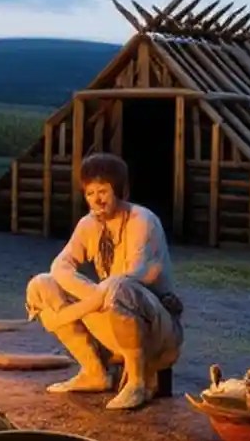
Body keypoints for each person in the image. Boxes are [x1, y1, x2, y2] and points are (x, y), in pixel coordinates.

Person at [25, 153, 184, 410]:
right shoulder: (88, 224)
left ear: (120, 190)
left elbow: (132, 276)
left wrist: (70, 313)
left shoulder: (142, 220)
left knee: (118, 288)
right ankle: (93, 371)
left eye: (103, 191)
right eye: (90, 193)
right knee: (42, 285)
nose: (97, 200)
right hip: (108, 312)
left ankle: (138, 382)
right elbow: (60, 266)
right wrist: (92, 299)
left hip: (155, 327)